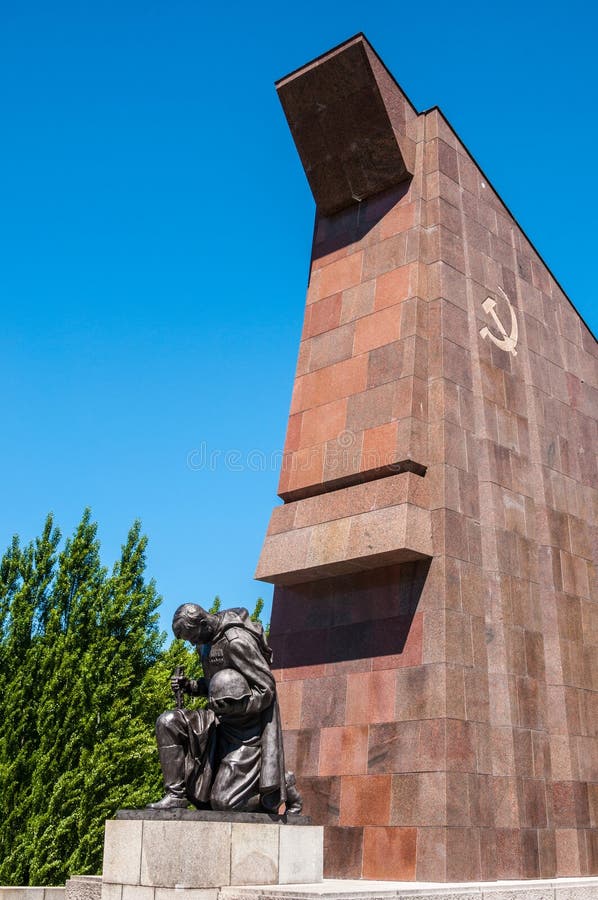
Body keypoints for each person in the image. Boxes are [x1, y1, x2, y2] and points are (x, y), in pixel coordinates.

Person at [147, 603, 301, 814]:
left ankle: (279, 786)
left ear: (203, 623)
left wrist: (235, 707)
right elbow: (215, 686)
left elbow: (266, 690)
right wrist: (190, 686)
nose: (193, 644)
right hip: (217, 719)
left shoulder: (236, 642)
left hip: (245, 732)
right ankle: (175, 796)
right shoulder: (205, 643)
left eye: (192, 638)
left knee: (223, 804)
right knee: (168, 722)